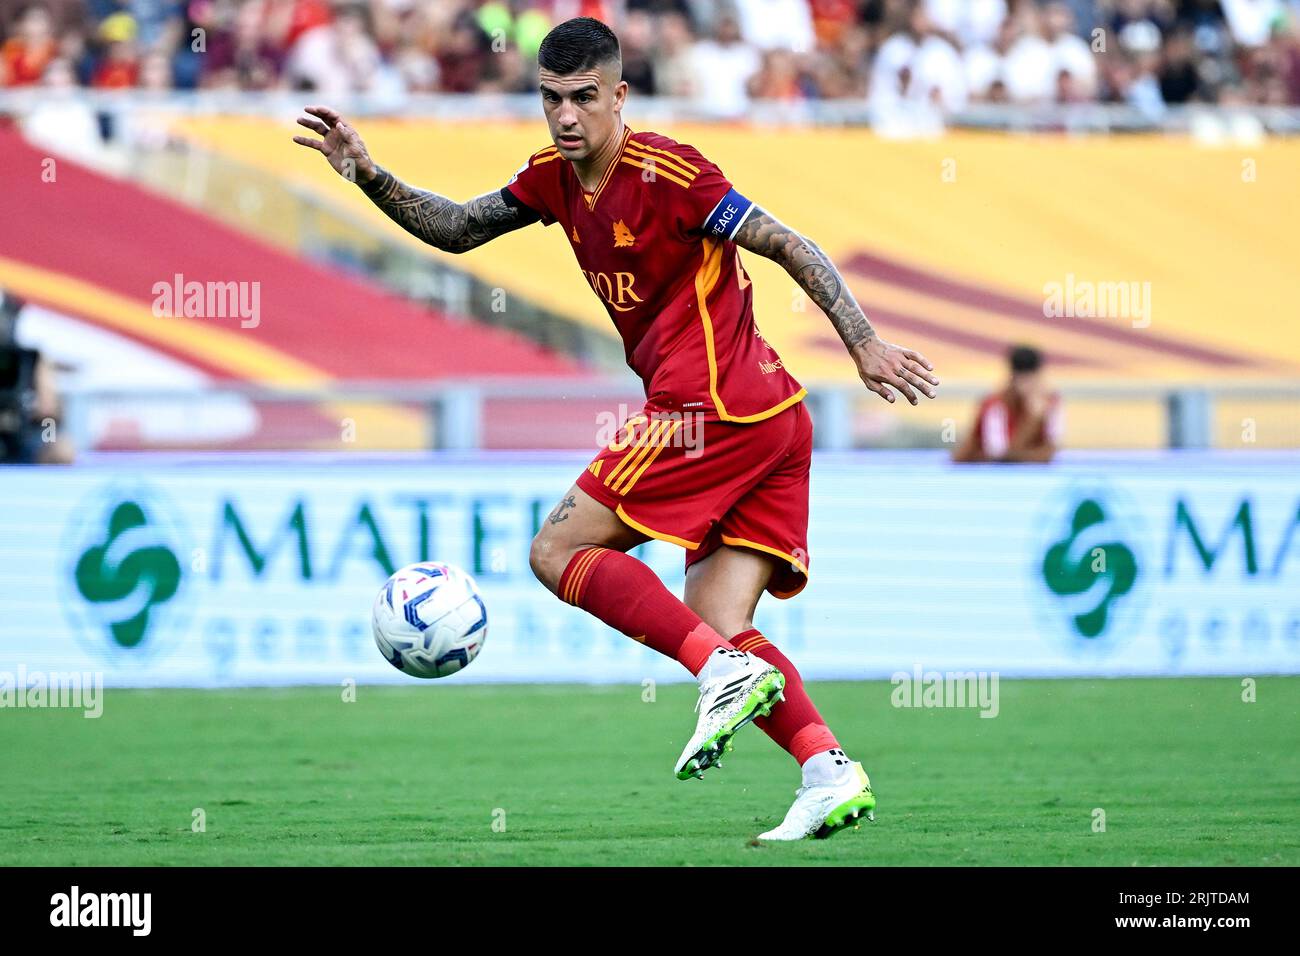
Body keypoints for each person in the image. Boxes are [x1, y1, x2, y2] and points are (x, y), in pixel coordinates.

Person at [293, 16, 939, 841]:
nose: (566, 117)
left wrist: (863, 341)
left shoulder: (672, 171)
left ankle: (721, 673)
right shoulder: (552, 179)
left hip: (712, 408)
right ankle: (827, 769)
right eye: (551, 99)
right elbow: (456, 228)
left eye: (583, 99)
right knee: (719, 621)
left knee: (555, 552)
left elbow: (787, 242)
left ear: (619, 96)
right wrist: (369, 176)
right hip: (772, 421)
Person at [953, 344, 1062, 463]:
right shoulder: (994, 404)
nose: (1029, 386)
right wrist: (1033, 419)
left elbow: (1051, 451)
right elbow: (1002, 457)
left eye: (1032, 379)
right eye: (1024, 380)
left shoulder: (1051, 402)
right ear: (1012, 378)